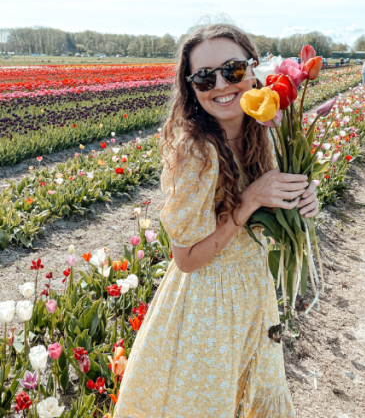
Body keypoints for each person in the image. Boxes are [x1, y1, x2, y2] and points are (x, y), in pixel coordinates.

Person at [114, 24, 318, 418]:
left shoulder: (266, 132)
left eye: (233, 70)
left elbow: (273, 214)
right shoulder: (196, 153)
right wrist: (248, 202)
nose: (221, 84)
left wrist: (300, 201)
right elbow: (186, 260)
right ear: (191, 89)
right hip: (207, 307)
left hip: (254, 295)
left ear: (253, 70)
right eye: (205, 77)